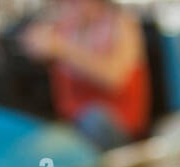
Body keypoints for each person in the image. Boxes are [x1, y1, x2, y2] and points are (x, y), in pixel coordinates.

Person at [20, 0, 151, 150]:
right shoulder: (65, 27)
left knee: (94, 119)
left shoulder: (121, 24)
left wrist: (62, 48)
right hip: (72, 127)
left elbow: (114, 78)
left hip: (118, 130)